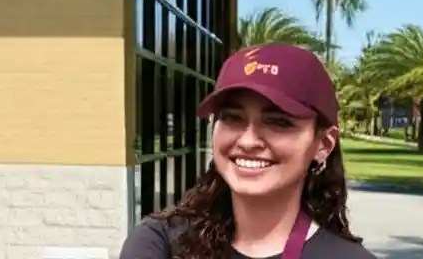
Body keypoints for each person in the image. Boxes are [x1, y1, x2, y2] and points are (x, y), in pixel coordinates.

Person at [120, 43, 376, 259]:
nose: (248, 141)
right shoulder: (161, 244)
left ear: (324, 144)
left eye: (279, 122)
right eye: (232, 118)